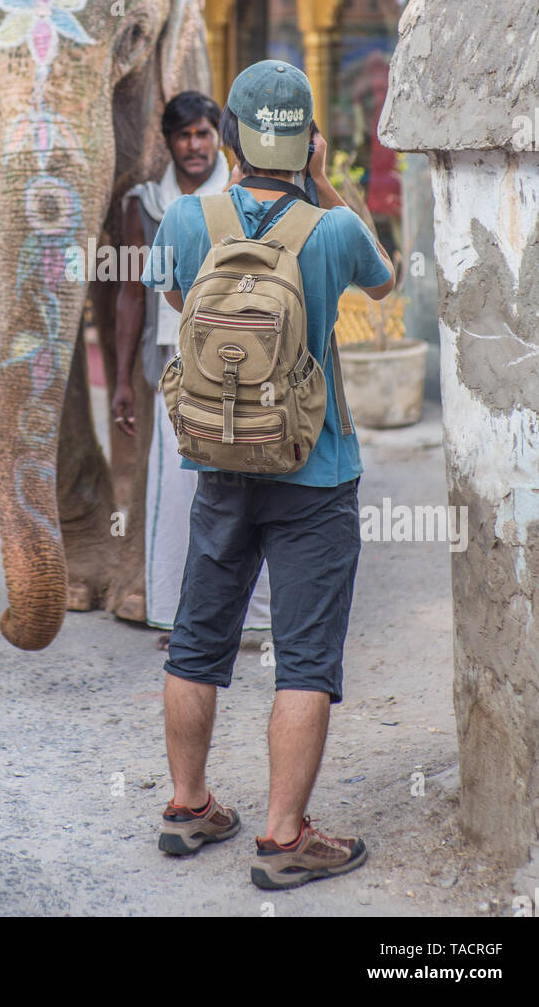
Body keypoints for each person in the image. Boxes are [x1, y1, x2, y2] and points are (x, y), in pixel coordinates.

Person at [141, 60, 395, 890]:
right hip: (314, 471)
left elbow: (179, 300)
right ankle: (285, 838)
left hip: (218, 460)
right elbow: (386, 279)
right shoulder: (332, 230)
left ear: (235, 137)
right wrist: (321, 181)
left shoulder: (187, 215)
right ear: (305, 138)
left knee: (198, 638)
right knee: (305, 658)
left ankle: (189, 807)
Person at [112, 92, 271, 645]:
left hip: (238, 360)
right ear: (169, 142)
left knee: (242, 481)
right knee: (177, 492)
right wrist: (121, 380)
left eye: (204, 134)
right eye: (184, 136)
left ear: (217, 140)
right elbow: (134, 294)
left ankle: (252, 616)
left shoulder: (239, 194)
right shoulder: (148, 204)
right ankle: (182, 616)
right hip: (174, 366)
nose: (195, 145)